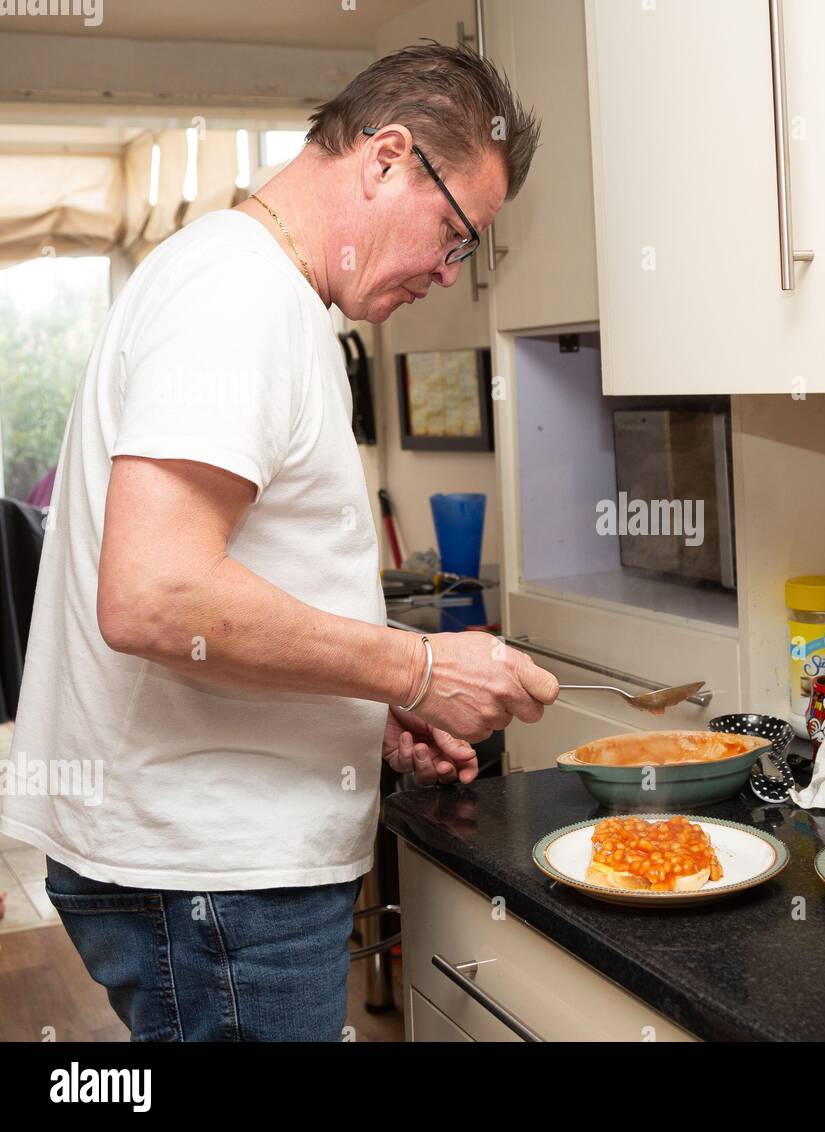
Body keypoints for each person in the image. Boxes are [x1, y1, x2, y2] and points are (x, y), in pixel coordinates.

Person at [0, 42, 556, 1041]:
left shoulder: (253, 288)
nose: (447, 268)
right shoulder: (238, 294)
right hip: (213, 880)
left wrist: (367, 706)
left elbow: (228, 599)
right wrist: (420, 666)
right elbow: (155, 597)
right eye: (455, 233)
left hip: (212, 874)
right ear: (387, 157)